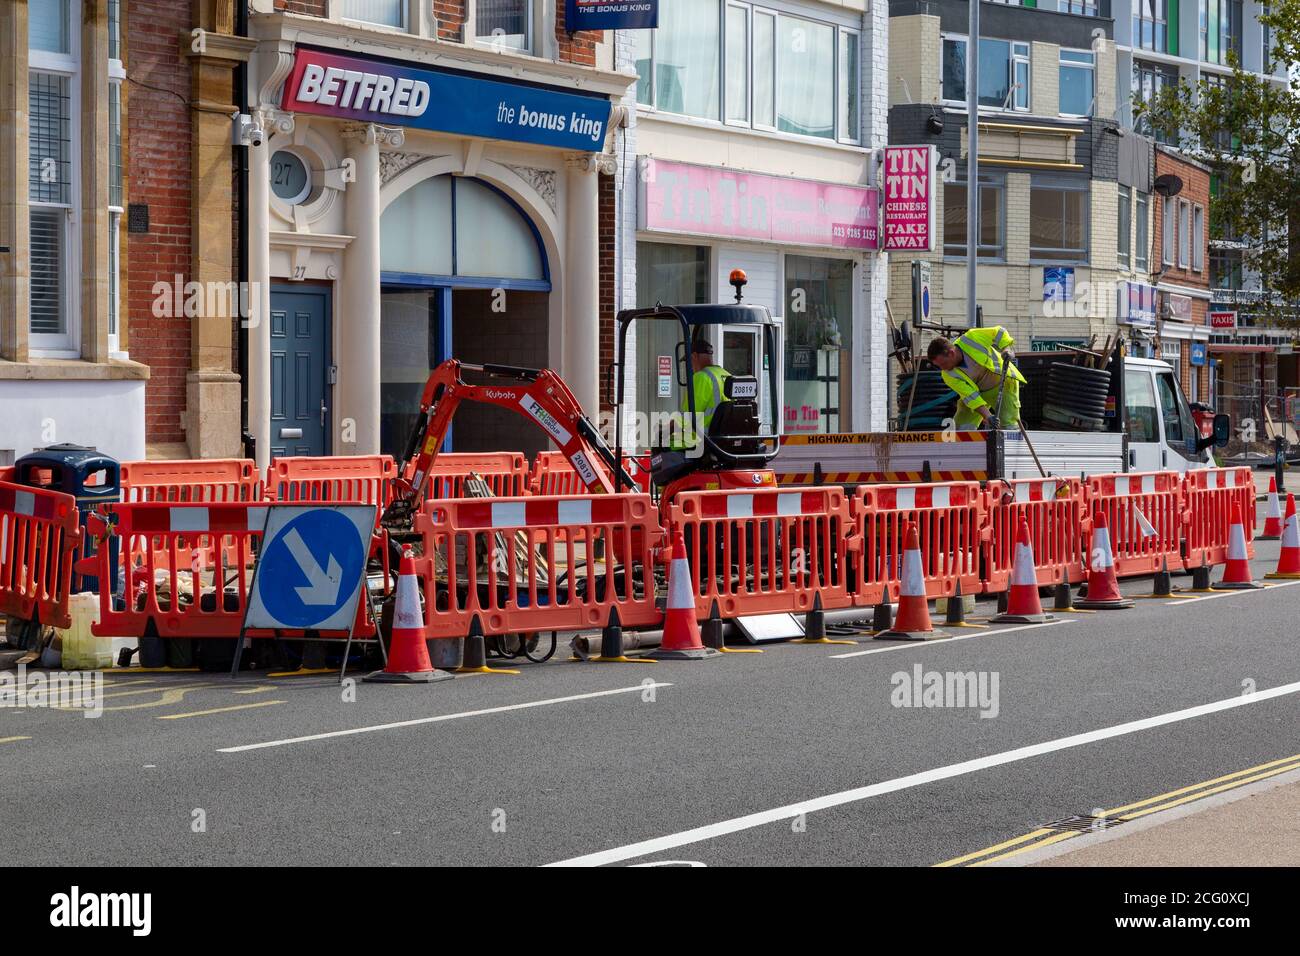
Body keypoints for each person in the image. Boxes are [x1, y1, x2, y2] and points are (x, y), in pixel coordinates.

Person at [927, 327, 1025, 430]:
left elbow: (999, 332)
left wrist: (1006, 349)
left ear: (951, 353)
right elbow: (971, 396)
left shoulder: (972, 337)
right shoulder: (948, 375)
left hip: (1003, 384)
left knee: (1008, 425)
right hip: (979, 394)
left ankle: (1010, 441)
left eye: (943, 364)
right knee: (961, 427)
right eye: (939, 366)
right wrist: (988, 416)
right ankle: (964, 444)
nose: (942, 368)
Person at [673, 339, 730, 449]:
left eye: (688, 361)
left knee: (664, 444)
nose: (690, 366)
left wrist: (666, 429)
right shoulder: (726, 375)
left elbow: (686, 417)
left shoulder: (701, 377)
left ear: (694, 356)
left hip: (703, 440)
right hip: (723, 440)